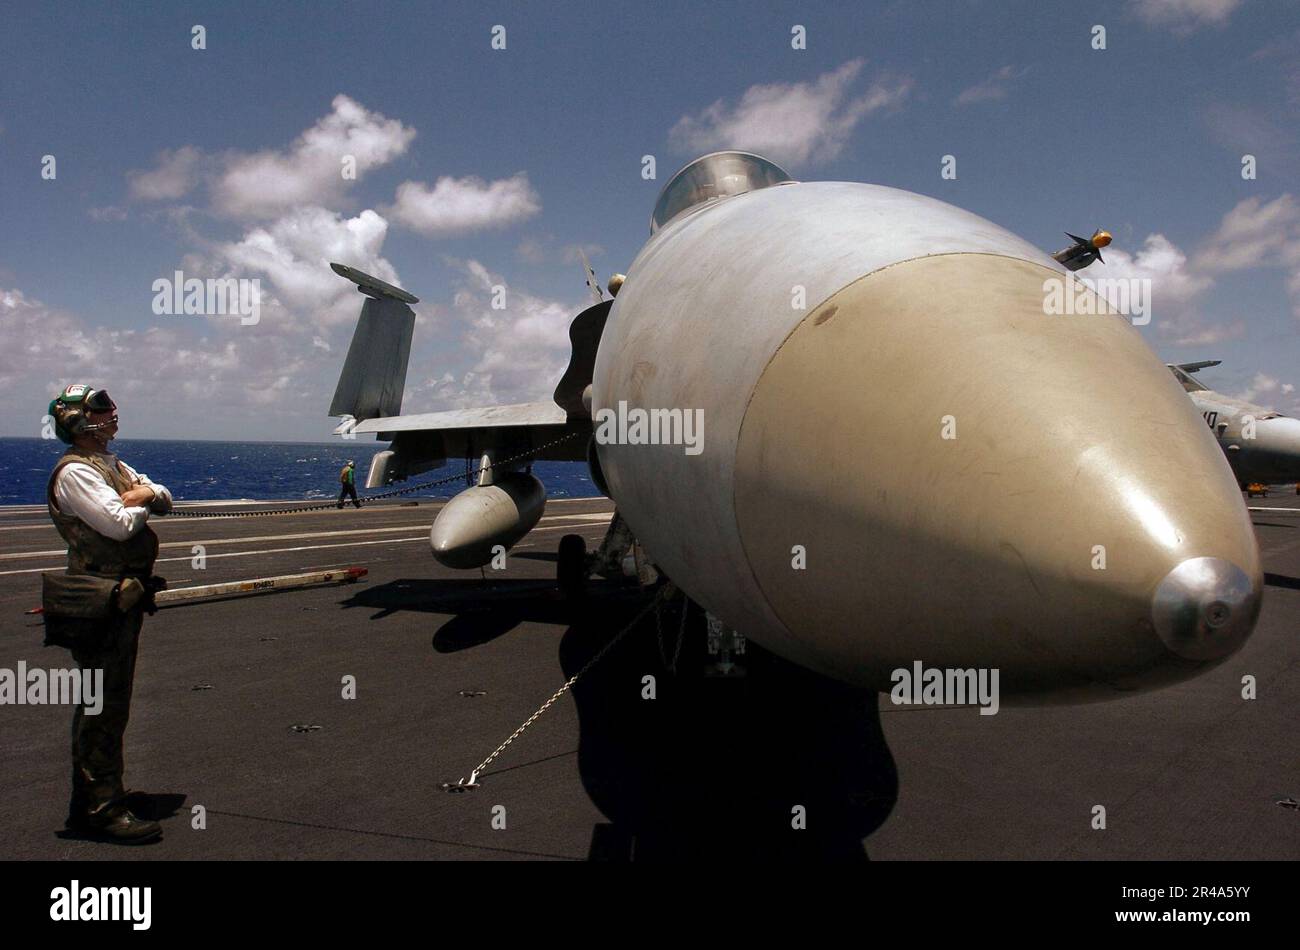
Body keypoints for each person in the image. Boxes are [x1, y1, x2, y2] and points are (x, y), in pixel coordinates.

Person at [44, 384, 172, 844]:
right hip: (97, 599)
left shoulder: (112, 465)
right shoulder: (76, 473)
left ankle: (103, 794)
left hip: (122, 598)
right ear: (78, 420)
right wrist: (140, 498)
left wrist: (144, 494)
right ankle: (97, 810)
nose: (112, 412)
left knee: (113, 705)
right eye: (101, 408)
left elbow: (165, 496)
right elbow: (118, 525)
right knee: (100, 706)